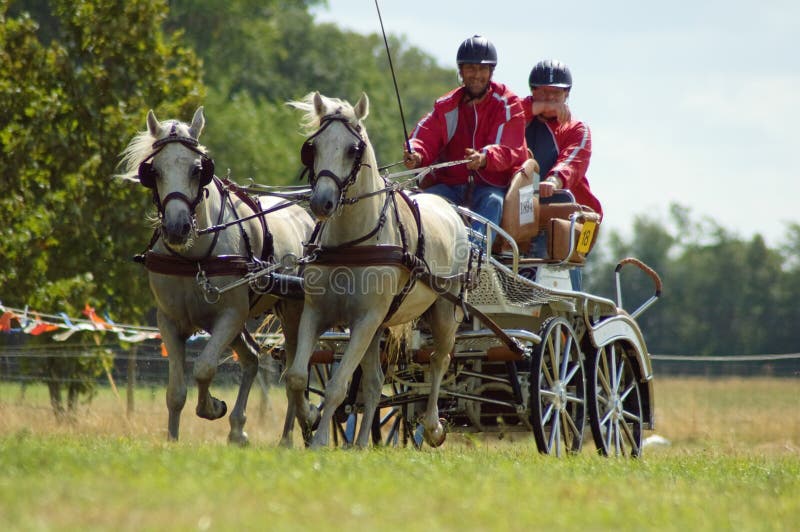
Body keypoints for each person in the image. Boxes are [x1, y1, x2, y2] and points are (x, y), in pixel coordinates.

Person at [403, 35, 528, 247]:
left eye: (482, 69)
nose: (476, 75)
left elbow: (510, 148)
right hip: (450, 186)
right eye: (470, 68)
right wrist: (415, 154)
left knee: (493, 202)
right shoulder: (446, 105)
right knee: (416, 202)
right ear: (460, 71)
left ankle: (472, 263)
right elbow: (425, 135)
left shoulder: (508, 104)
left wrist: (485, 157)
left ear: (491, 72)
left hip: (489, 187)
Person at [523, 59, 602, 219]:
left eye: (556, 92)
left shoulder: (577, 129)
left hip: (576, 213)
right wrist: (540, 107)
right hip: (524, 205)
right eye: (544, 92)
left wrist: (554, 181)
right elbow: (503, 115)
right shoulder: (518, 117)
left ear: (566, 94)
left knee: (572, 237)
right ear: (533, 91)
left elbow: (571, 164)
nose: (550, 98)